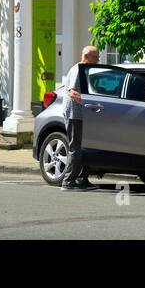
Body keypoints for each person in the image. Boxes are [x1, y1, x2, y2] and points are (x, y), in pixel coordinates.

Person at [61, 45, 100, 190]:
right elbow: (73, 92)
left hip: (83, 114)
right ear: (87, 56)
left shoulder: (86, 71)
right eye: (95, 57)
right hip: (74, 114)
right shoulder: (78, 69)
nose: (97, 60)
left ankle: (81, 180)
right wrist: (89, 103)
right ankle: (68, 181)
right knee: (75, 148)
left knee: (84, 147)